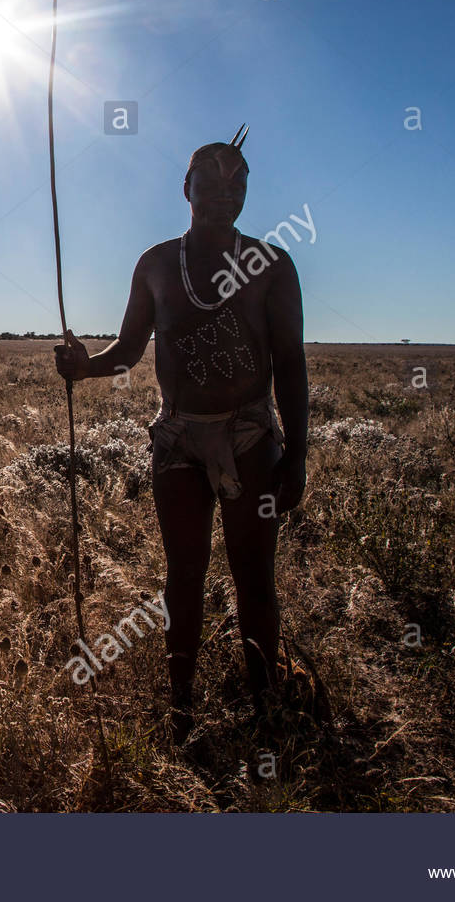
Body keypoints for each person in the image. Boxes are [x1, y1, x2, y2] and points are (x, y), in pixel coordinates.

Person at [54, 131, 308, 743]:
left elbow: (291, 364)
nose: (226, 193)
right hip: (177, 441)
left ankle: (265, 703)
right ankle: (181, 709)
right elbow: (130, 351)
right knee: (183, 575)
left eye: (238, 183)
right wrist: (86, 366)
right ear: (185, 188)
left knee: (254, 577)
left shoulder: (271, 267)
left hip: (251, 438)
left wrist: (296, 455)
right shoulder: (158, 265)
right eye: (212, 181)